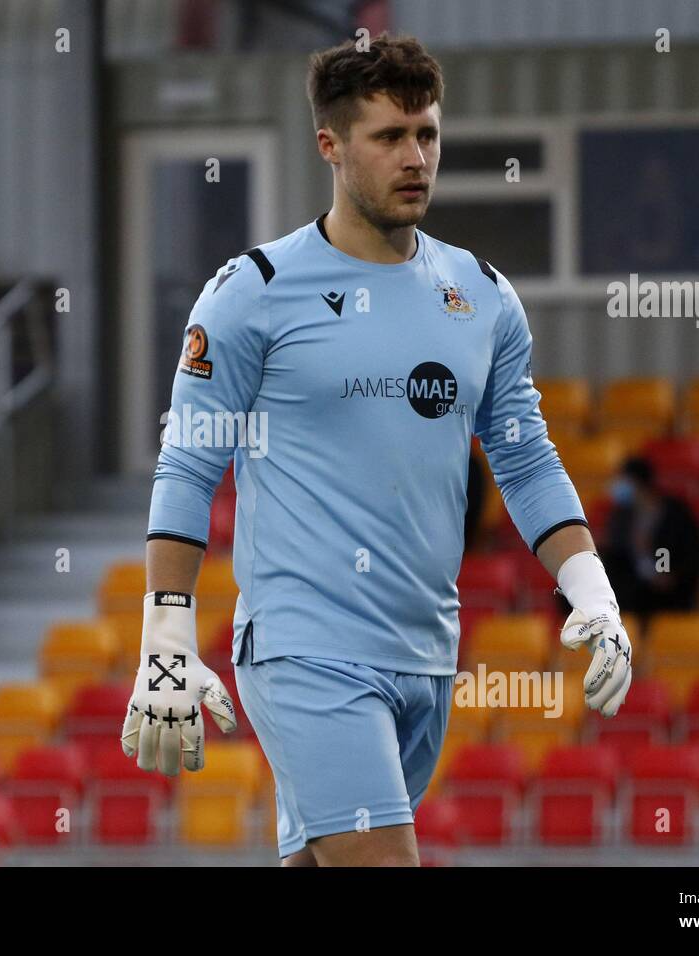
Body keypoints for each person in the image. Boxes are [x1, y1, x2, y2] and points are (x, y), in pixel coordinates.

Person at [120, 33, 632, 867]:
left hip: (425, 652)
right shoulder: (251, 292)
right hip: (305, 646)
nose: (415, 156)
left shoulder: (484, 298)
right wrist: (167, 639)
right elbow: (188, 462)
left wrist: (594, 593)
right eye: (389, 137)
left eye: (426, 133)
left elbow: (526, 459)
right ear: (330, 145)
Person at [601, 457, 699, 617]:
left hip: (668, 587)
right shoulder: (622, 514)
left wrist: (664, 572)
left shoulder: (673, 513)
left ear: (637, 483)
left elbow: (680, 551)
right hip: (631, 583)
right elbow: (616, 552)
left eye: (623, 480)